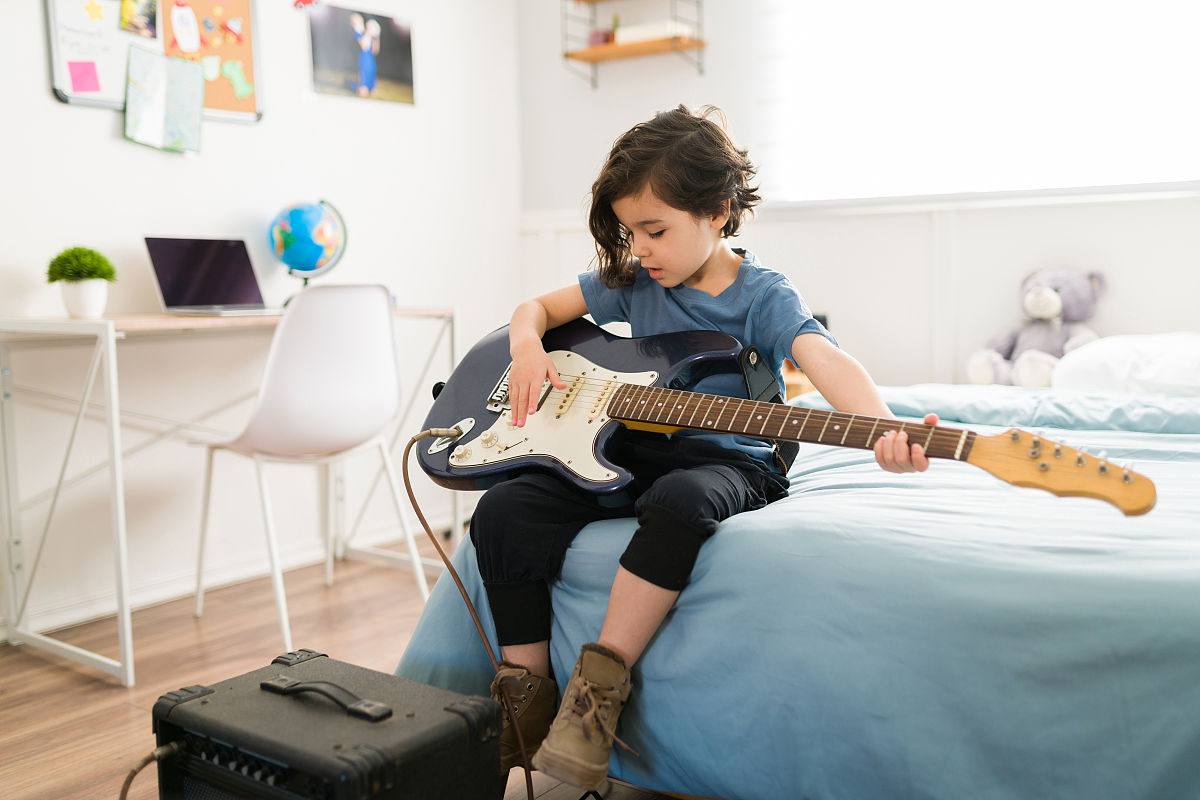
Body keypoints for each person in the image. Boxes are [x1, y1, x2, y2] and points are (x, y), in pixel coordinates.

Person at [473, 104, 937, 790]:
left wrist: (882, 426)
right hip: (639, 445)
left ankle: (593, 700)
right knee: (503, 510)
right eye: (631, 233)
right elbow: (534, 310)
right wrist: (524, 348)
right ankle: (525, 699)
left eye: (655, 231)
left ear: (718, 211)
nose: (641, 250)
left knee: (679, 501)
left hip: (737, 457)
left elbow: (826, 359)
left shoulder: (763, 295)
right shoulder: (633, 282)